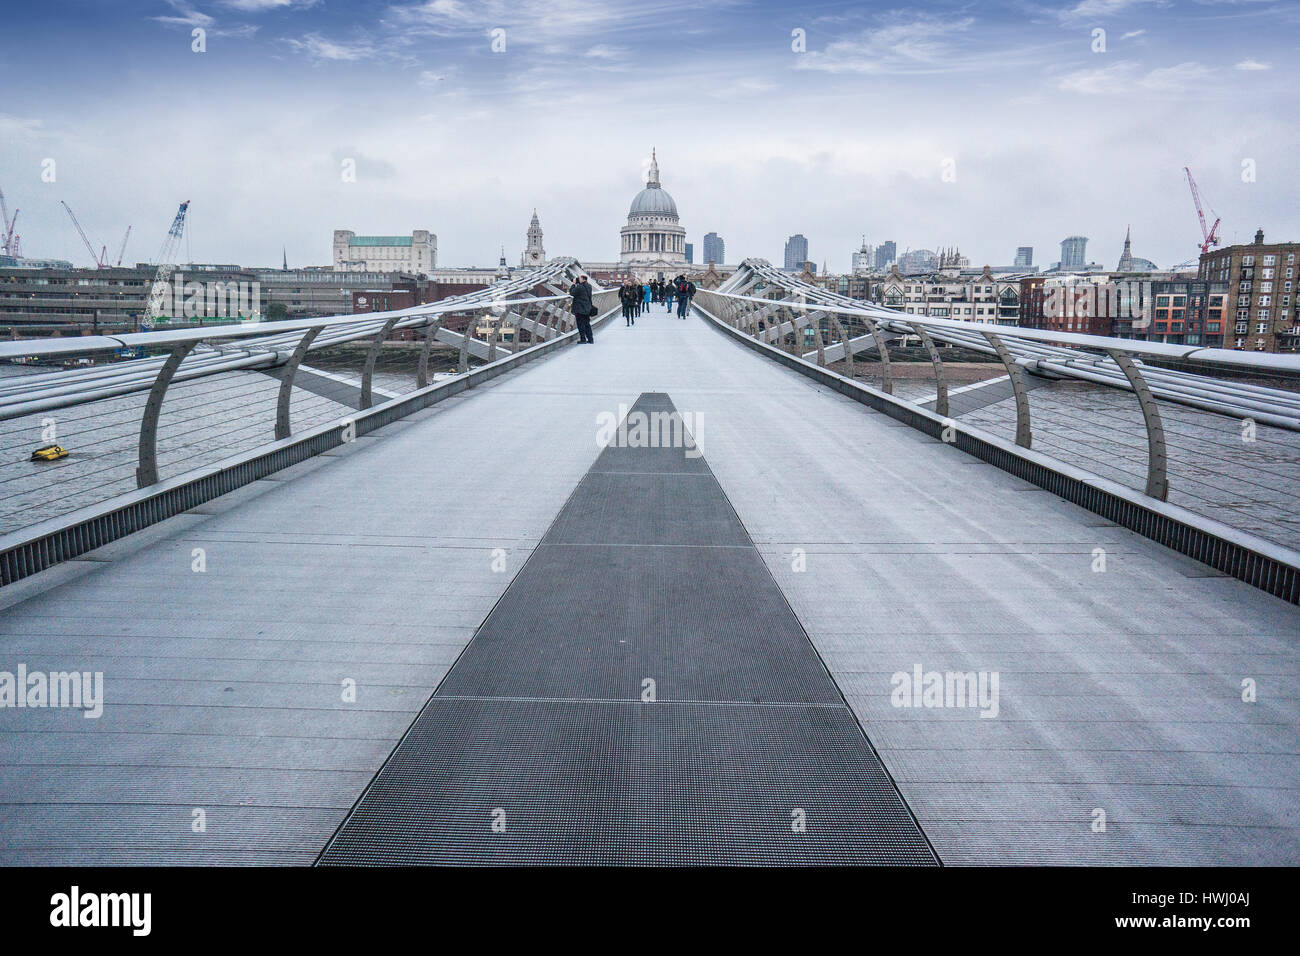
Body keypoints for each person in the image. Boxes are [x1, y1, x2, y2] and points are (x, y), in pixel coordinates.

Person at [570, 275, 595, 343]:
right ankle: (590, 339)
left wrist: (573, 284)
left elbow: (572, 293)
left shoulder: (579, 287)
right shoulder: (589, 286)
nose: (578, 279)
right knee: (587, 324)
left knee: (580, 324)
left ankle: (583, 339)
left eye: (579, 278)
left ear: (583, 279)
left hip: (580, 308)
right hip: (587, 308)